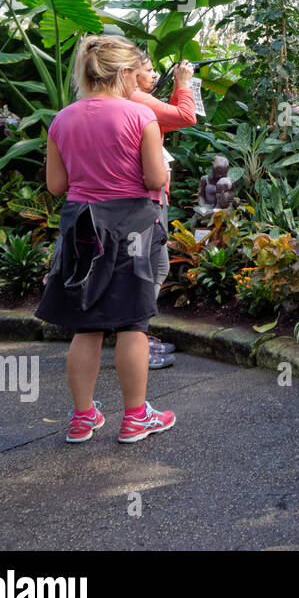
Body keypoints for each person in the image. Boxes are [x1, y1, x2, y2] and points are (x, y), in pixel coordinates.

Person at [36, 34, 177, 444]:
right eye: (137, 73)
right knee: (133, 322)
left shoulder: (62, 119)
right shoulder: (140, 118)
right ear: (124, 74)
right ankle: (135, 418)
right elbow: (154, 178)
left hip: (81, 225)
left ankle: (82, 419)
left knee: (87, 324)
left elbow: (56, 184)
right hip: (133, 224)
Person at [130, 54, 195, 365]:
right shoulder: (137, 99)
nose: (154, 74)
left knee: (149, 268)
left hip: (131, 202)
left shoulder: (123, 102)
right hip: (149, 198)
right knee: (153, 268)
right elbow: (186, 116)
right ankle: (136, 341)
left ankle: (137, 336)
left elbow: (165, 122)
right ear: (128, 72)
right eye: (148, 69)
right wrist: (184, 84)